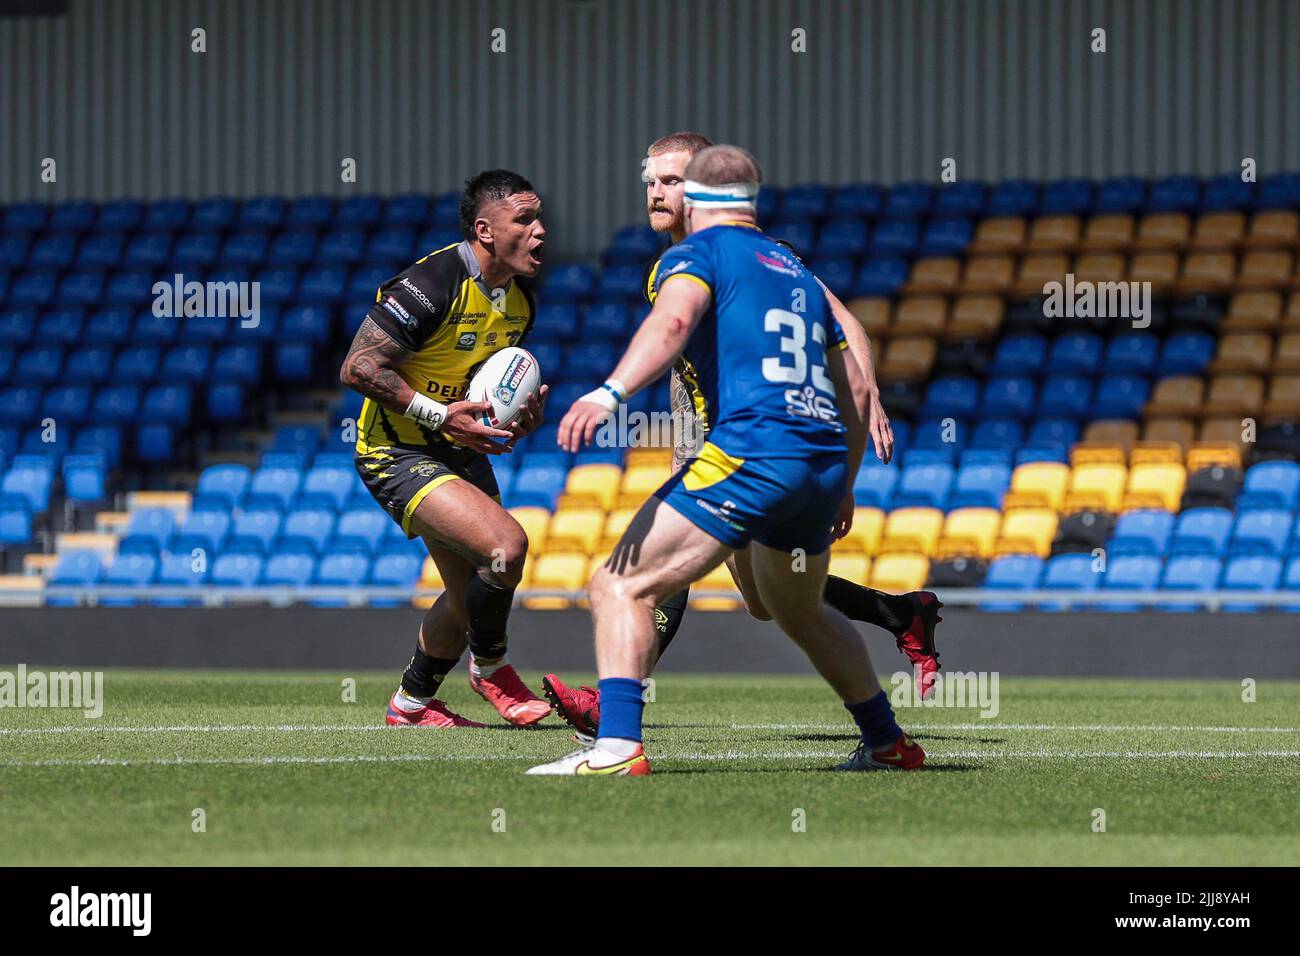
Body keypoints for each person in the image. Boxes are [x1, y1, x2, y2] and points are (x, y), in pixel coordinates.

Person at [527, 146, 924, 775]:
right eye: (650, 182)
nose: (658, 193)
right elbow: (851, 376)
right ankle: (888, 742)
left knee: (618, 583)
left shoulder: (697, 255)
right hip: (816, 458)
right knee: (793, 609)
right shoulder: (789, 266)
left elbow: (673, 324)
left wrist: (610, 393)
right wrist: (844, 480)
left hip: (753, 448)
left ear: (698, 197)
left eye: (670, 182)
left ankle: (619, 746)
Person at [339, 169, 552, 728]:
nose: (540, 231)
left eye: (539, 218)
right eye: (524, 220)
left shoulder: (520, 304)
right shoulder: (433, 281)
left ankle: (410, 706)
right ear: (484, 229)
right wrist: (441, 416)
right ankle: (492, 668)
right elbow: (358, 367)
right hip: (396, 450)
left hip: (457, 451)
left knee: (470, 600)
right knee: (506, 546)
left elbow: (481, 393)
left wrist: (517, 420)